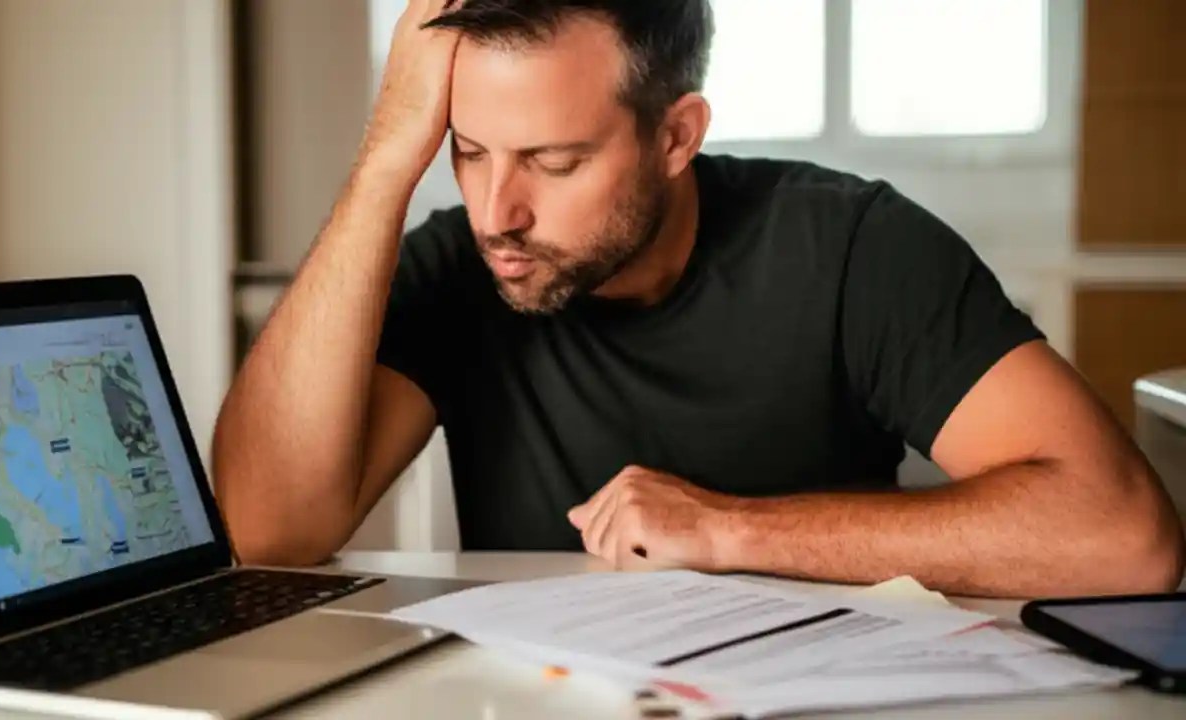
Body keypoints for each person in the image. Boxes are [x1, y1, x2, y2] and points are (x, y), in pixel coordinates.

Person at [212, 0, 1185, 597]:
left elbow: (1122, 538)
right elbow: (265, 530)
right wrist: (389, 156)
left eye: (553, 161)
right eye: (465, 152)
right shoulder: (456, 266)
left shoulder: (851, 246)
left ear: (674, 137)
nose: (494, 211)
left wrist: (728, 531)